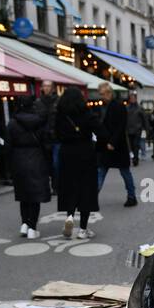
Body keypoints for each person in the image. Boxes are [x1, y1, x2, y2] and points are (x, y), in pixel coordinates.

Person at [55, 87, 99, 240]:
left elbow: (55, 134)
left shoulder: (60, 115)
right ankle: (83, 229)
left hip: (66, 153)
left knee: (70, 187)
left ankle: (69, 216)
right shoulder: (87, 113)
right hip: (85, 153)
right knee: (85, 189)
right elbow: (99, 130)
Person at [5, 96, 52, 239]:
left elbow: (7, 146)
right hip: (36, 158)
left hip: (18, 160)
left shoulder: (12, 123)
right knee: (35, 195)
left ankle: (24, 224)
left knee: (23, 194)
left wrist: (8, 166)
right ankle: (33, 227)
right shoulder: (40, 122)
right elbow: (47, 144)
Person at [96, 82, 137, 207]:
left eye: (103, 94)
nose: (101, 96)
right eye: (100, 94)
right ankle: (91, 197)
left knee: (125, 172)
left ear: (109, 93)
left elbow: (120, 126)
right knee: (100, 171)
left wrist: (112, 142)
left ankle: (131, 196)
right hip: (105, 144)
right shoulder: (102, 106)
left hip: (117, 145)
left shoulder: (118, 106)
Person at [35, 79, 59, 187]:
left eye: (49, 86)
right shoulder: (37, 102)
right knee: (44, 164)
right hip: (43, 138)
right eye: (45, 86)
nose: (47, 88)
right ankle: (46, 186)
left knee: (56, 164)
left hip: (56, 137)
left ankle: (55, 185)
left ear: (53, 88)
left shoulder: (58, 102)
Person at [126, 96, 144, 166]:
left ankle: (135, 159)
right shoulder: (127, 108)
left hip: (137, 130)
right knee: (130, 145)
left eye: (133, 98)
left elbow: (144, 118)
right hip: (129, 129)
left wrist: (146, 129)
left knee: (136, 145)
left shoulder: (139, 108)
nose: (132, 100)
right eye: (131, 99)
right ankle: (133, 157)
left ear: (136, 99)